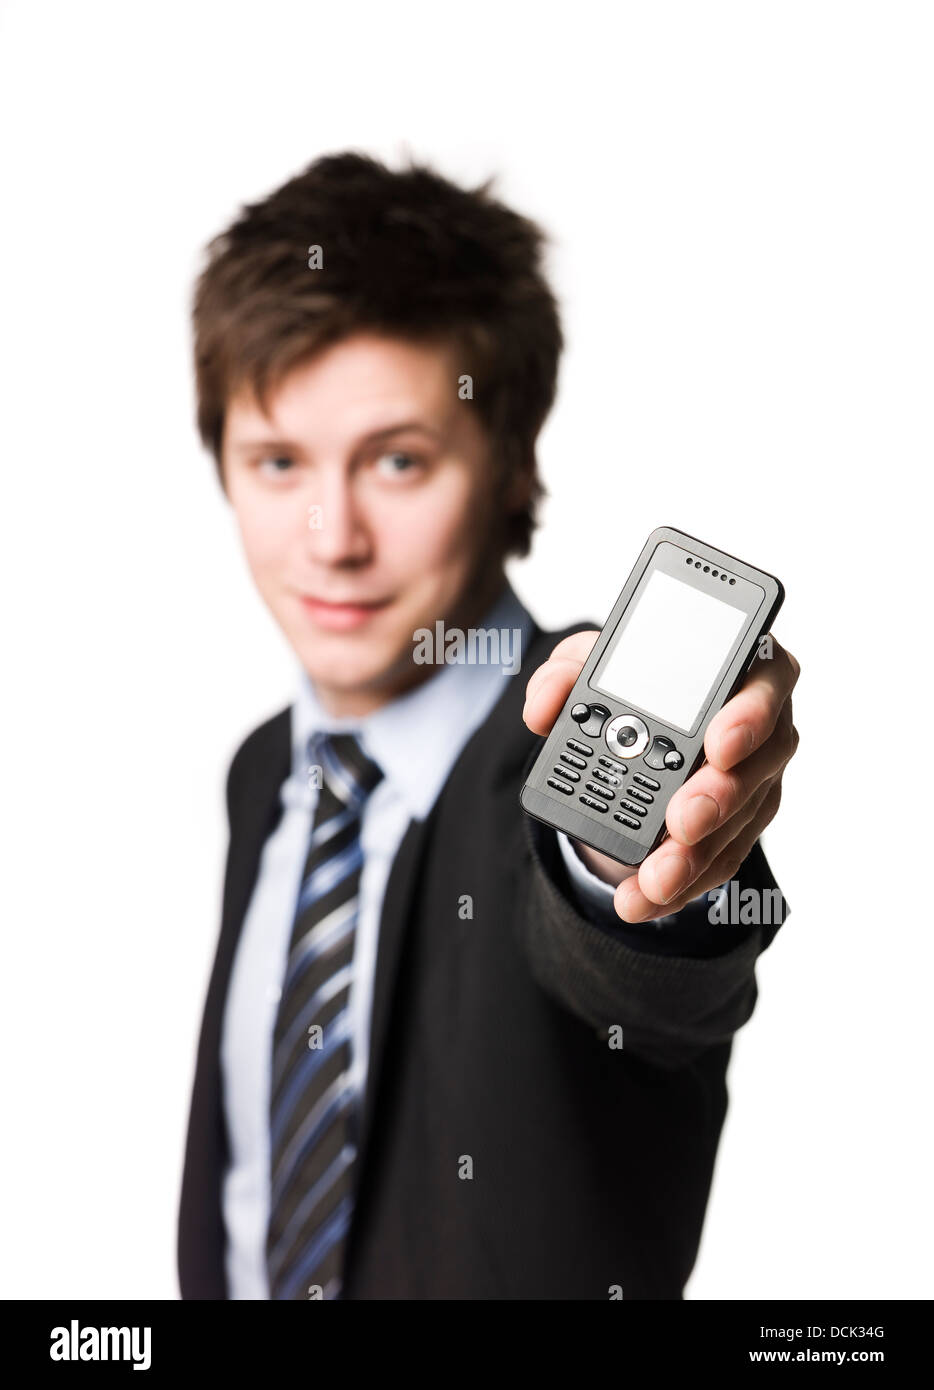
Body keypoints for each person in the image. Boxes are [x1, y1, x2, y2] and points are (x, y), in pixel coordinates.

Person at [177, 152, 800, 1300]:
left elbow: (638, 975)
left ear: (511, 461)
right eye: (278, 462)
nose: (331, 539)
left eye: (398, 460)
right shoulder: (266, 770)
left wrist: (632, 859)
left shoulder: (558, 751)